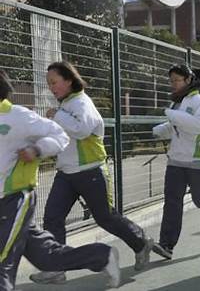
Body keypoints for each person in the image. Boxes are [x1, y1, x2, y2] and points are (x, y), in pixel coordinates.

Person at [30, 61, 153, 284]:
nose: (51, 87)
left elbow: (82, 129)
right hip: (66, 174)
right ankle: (56, 268)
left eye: (54, 82)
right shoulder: (66, 105)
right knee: (52, 217)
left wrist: (56, 115)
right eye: (49, 83)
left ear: (69, 80)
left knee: (105, 217)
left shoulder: (81, 102)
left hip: (91, 171)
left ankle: (141, 243)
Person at [0, 70, 120, 290]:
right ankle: (102, 256)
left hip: (14, 197)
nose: (51, 86)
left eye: (54, 82)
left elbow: (60, 135)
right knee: (47, 258)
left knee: (2, 258)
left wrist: (37, 149)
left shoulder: (18, 116)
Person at [151, 64, 200, 260]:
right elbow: (176, 126)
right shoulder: (176, 103)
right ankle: (166, 245)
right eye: (171, 81)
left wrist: (172, 116)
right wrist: (162, 129)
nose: (174, 84)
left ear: (188, 80)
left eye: (177, 80)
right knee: (172, 203)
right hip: (176, 160)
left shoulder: (198, 102)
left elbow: (199, 126)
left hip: (196, 159)